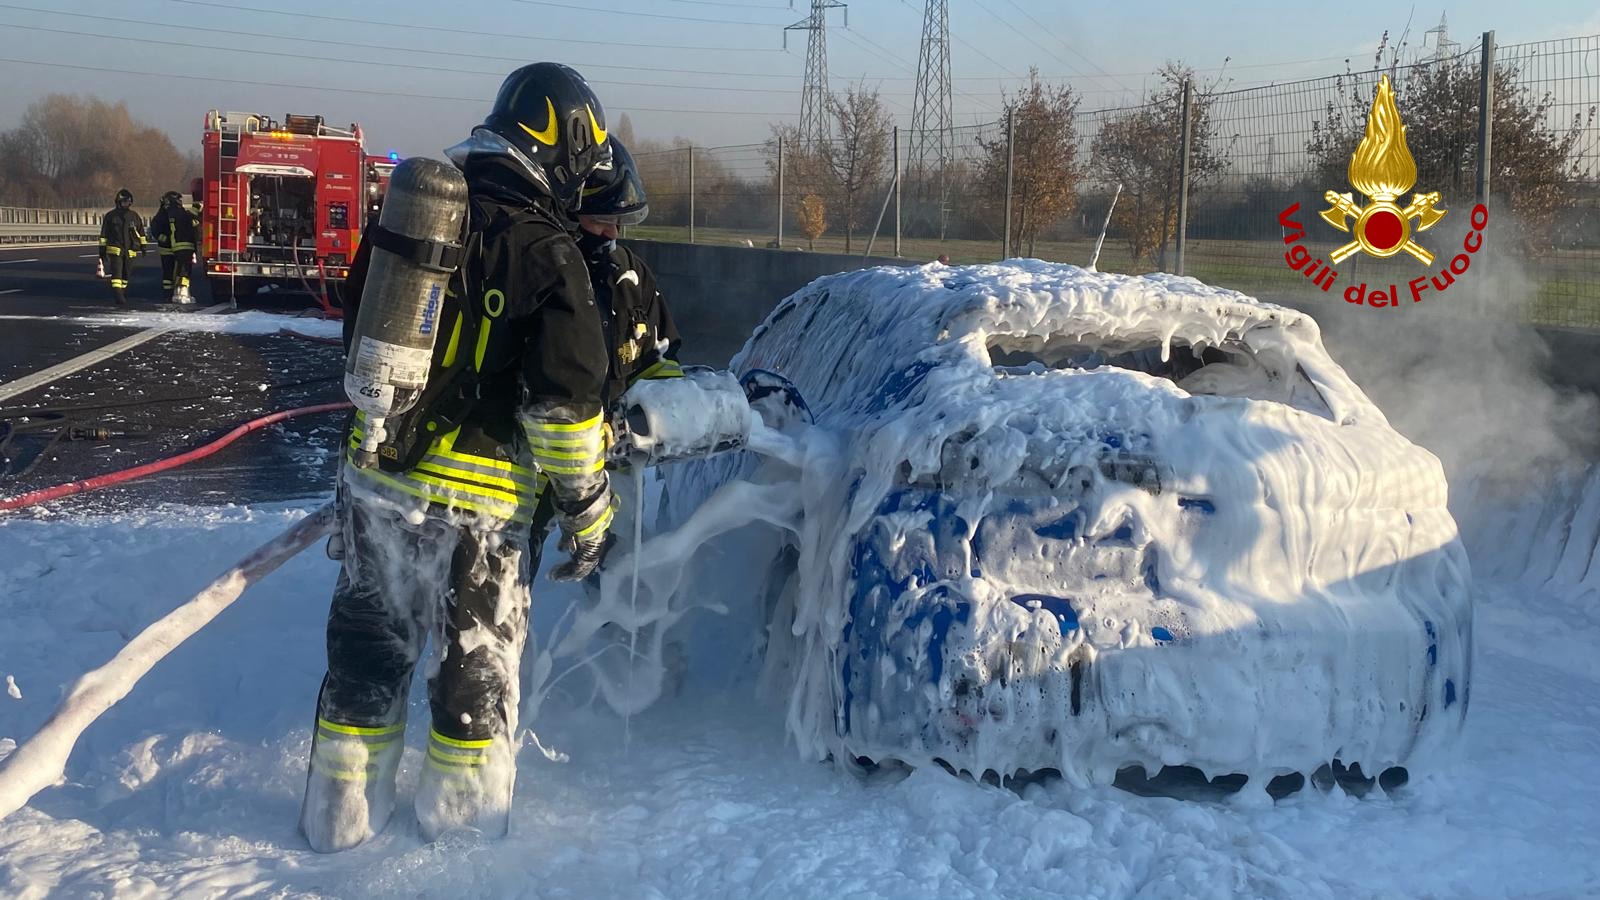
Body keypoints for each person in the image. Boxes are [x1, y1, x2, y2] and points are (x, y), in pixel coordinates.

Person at [300, 62, 617, 852]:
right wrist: (589, 512)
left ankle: (338, 821)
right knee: (473, 674)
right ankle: (460, 847)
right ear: (565, 145)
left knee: (367, 659)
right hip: (483, 511)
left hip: (377, 482)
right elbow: (564, 411)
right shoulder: (548, 250)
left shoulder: (413, 221)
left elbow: (357, 329)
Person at [98, 189, 146, 305]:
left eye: (128, 202)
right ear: (118, 202)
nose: (127, 204)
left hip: (130, 251)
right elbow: (104, 235)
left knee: (126, 274)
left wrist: (143, 246)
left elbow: (141, 232)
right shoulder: (110, 216)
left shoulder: (134, 216)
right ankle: (118, 295)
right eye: (124, 202)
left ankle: (122, 291)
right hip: (116, 250)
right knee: (117, 274)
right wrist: (102, 251)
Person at [170, 193, 200, 304]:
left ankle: (177, 292)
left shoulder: (171, 214)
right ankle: (183, 293)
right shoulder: (181, 214)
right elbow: (192, 221)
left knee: (179, 270)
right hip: (186, 245)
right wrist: (197, 208)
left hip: (177, 245)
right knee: (185, 270)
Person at [148, 192, 179, 297]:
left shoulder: (165, 212)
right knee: (170, 271)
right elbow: (155, 227)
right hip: (170, 247)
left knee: (171, 271)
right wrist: (163, 238)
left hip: (175, 246)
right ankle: (169, 292)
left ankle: (170, 292)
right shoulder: (165, 213)